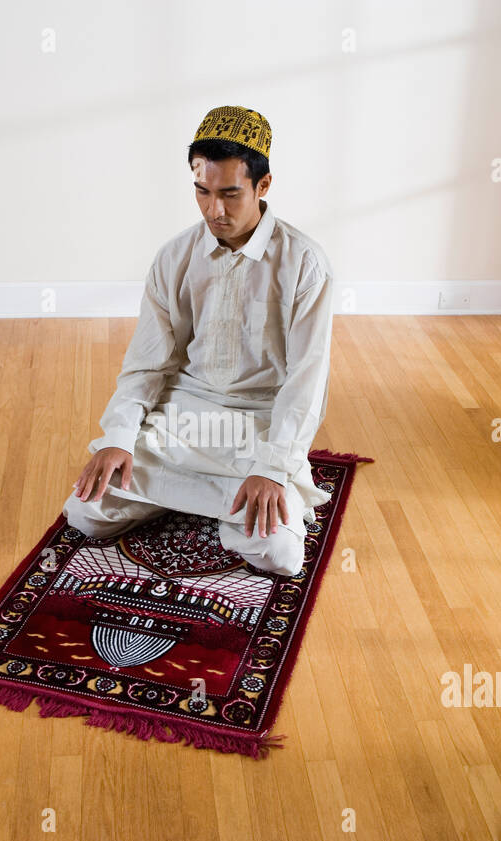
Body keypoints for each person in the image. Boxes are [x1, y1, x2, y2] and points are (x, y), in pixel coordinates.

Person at [62, 105, 334, 577]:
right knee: (85, 513)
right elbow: (148, 363)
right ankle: (210, 498)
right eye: (203, 192)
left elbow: (307, 382)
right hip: (183, 417)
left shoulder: (305, 263)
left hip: (259, 425)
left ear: (262, 186)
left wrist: (272, 468)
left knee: (276, 554)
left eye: (230, 194)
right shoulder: (174, 256)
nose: (215, 210)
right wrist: (120, 436)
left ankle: (202, 494)